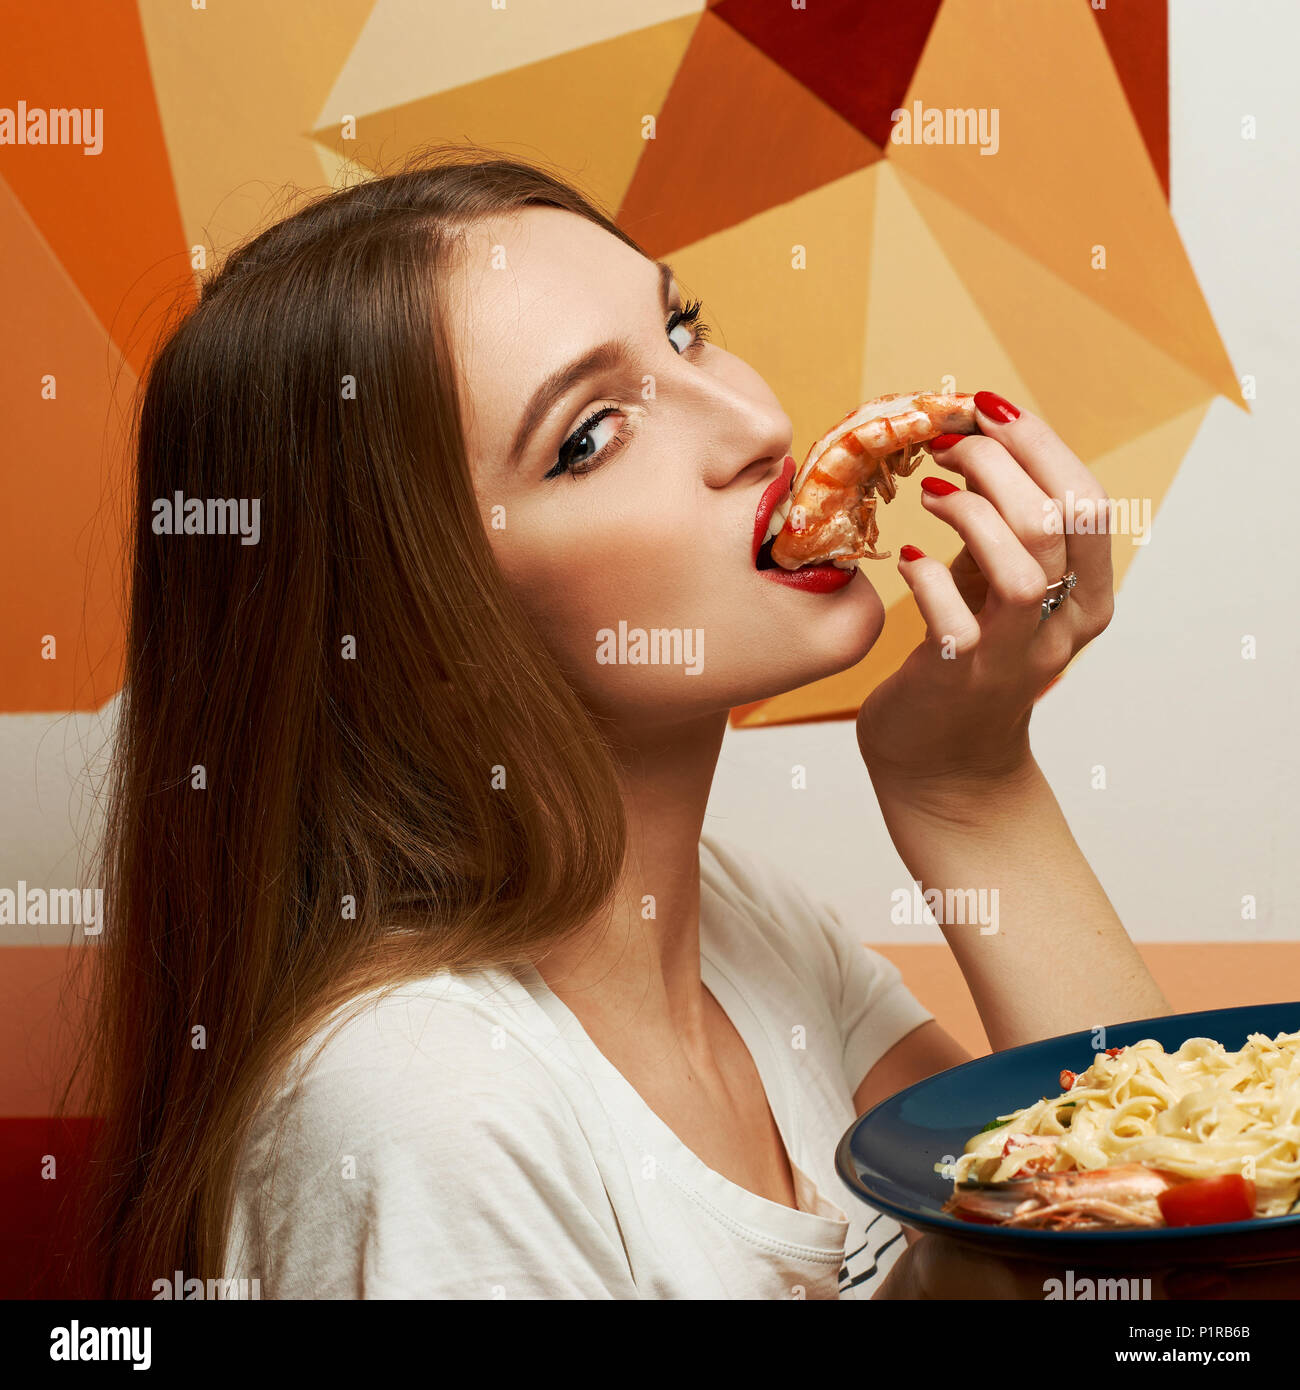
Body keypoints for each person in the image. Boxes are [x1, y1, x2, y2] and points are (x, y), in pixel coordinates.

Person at [73, 146, 1172, 1300]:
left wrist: (970, 787)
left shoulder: (746, 935)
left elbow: (1157, 1253)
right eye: (588, 435)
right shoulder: (428, 1112)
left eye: (683, 330)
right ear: (420, 634)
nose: (754, 420)